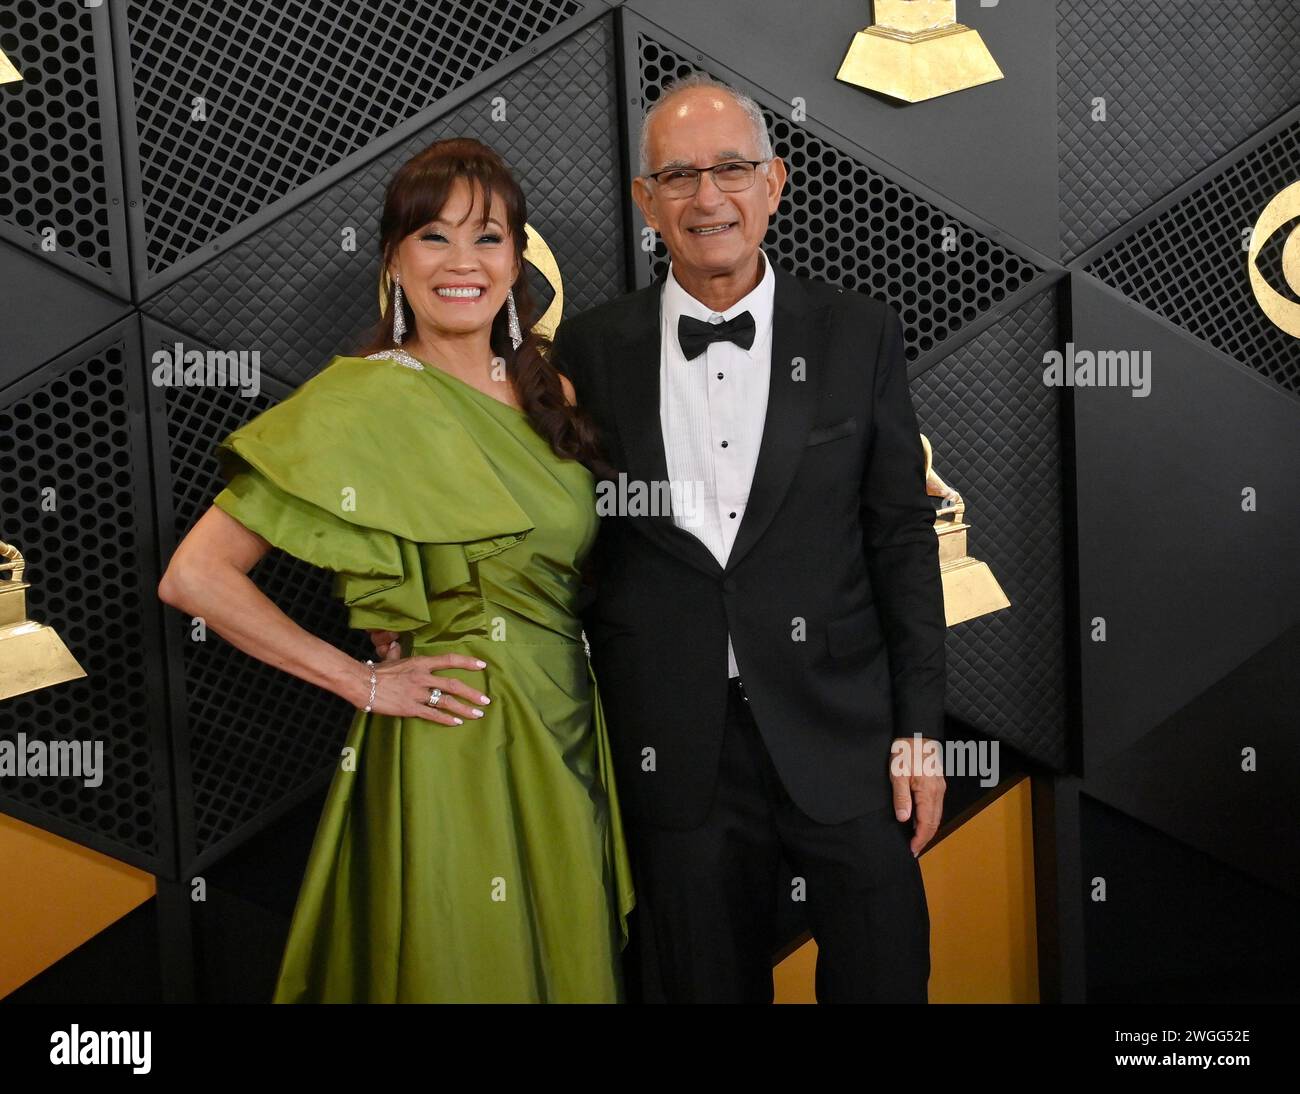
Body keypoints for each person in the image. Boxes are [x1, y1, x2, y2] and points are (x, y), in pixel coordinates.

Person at [158, 137, 635, 1003]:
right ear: (392, 260)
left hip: (571, 735)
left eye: (488, 238)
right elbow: (195, 577)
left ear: (517, 261)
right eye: (434, 238)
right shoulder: (362, 398)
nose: (464, 263)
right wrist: (360, 682)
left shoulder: (551, 393)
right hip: (454, 739)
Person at [542, 73, 948, 1003]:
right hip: (675, 750)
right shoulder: (590, 353)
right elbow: (553, 534)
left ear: (776, 181)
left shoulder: (858, 333)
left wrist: (920, 734)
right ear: (646, 202)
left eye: (731, 168)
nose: (707, 197)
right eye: (678, 177)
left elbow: (900, 541)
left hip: (844, 734)